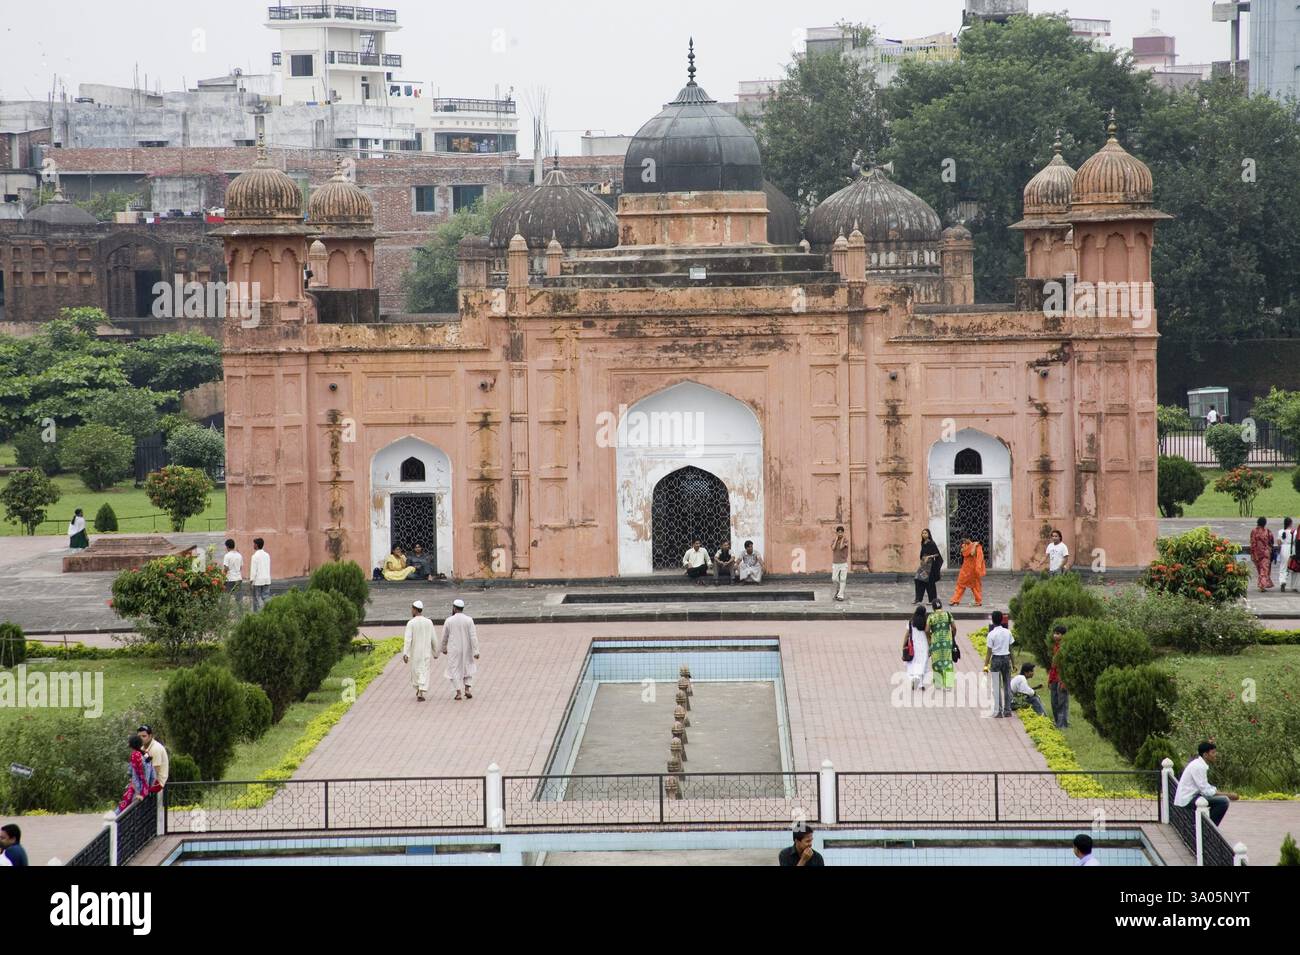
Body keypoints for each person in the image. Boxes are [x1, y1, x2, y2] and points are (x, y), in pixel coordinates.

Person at [1174, 741, 1239, 826]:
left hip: (1192, 797)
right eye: (1213, 753)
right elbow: (1206, 791)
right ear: (1205, 755)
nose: (1215, 755)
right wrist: (1228, 795)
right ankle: (1207, 828)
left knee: (1221, 799)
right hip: (1187, 800)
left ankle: (1204, 827)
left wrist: (1221, 793)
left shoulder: (1199, 764)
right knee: (1223, 801)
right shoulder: (1199, 767)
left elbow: (1205, 787)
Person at [440, 598, 480, 701]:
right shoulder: (469, 620)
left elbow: (444, 636)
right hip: (467, 649)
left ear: (454, 608)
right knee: (468, 667)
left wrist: (443, 648)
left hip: (454, 650)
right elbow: (473, 636)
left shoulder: (449, 620)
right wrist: (476, 651)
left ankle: (458, 692)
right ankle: (467, 689)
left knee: (454, 669)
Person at [402, 600, 437, 702]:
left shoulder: (411, 623)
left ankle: (420, 690)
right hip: (425, 652)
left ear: (415, 609)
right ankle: (420, 690)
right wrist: (435, 652)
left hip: (415, 653)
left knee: (416, 671)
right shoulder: (429, 622)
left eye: (412, 609)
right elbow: (433, 638)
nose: (411, 611)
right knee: (424, 671)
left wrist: (406, 654)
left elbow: (408, 639)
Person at [117, 734, 158, 815]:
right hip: (145, 791)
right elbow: (153, 776)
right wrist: (148, 789)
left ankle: (109, 825)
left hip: (137, 791)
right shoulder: (146, 755)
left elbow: (137, 775)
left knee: (122, 811)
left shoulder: (135, 756)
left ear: (131, 745)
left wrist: (140, 793)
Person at [984, 610, 1014, 718]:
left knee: (996, 686)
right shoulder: (1008, 632)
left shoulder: (991, 634)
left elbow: (989, 652)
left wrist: (985, 665)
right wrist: (1013, 663)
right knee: (1007, 685)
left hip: (996, 660)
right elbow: (1011, 649)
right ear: (1002, 619)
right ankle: (1008, 710)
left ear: (992, 620)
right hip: (1006, 659)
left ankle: (998, 711)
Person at [926, 599, 958, 692]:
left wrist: (930, 637)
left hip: (936, 642)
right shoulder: (948, 614)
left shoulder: (931, 617)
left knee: (936, 662)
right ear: (941, 606)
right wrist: (952, 636)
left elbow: (927, 630)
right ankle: (948, 685)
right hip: (947, 642)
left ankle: (938, 684)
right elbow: (954, 627)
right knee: (948, 662)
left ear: (933, 607)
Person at [950, 536, 986, 607]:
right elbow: (968, 553)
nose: (962, 547)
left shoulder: (972, 546)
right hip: (970, 569)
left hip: (968, 570)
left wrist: (974, 545)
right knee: (974, 586)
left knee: (962, 585)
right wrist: (974, 545)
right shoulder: (972, 546)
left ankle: (955, 600)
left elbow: (971, 553)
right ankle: (978, 601)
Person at [1048, 624, 1070, 729]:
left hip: (1061, 679)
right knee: (1054, 702)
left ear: (1063, 635)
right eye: (1054, 633)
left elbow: (1065, 666)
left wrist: (1064, 681)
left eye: (1058, 634)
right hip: (1054, 678)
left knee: (1062, 703)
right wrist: (1050, 679)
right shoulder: (1055, 647)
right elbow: (1053, 665)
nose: (1055, 635)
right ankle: (1057, 722)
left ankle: (1063, 725)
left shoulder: (1065, 648)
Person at [905, 604, 930, 692]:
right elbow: (928, 635)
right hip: (924, 646)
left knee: (915, 664)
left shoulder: (911, 622)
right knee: (923, 664)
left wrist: (904, 645)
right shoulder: (926, 622)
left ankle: (915, 679)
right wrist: (930, 646)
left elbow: (907, 635)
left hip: (914, 646)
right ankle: (921, 684)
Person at [137, 724, 169, 790]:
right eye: (139, 736)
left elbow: (155, 772)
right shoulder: (142, 747)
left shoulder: (155, 748)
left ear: (150, 736)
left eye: (144, 736)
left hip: (158, 783)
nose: (141, 738)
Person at [914, 530, 942, 604]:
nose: (924, 534)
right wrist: (922, 559)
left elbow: (937, 554)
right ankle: (918, 599)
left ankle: (932, 600)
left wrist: (928, 557)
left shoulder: (932, 543)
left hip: (930, 566)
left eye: (925, 533)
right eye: (922, 533)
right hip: (924, 565)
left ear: (929, 534)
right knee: (918, 580)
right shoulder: (923, 543)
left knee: (930, 583)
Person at [1249, 517, 1274, 592]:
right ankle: (1262, 585)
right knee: (1264, 570)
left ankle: (1262, 584)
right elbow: (1271, 541)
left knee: (1260, 570)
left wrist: (1253, 553)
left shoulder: (1253, 531)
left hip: (1256, 553)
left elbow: (1252, 543)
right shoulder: (1267, 531)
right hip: (1265, 554)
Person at [249, 538, 271, 611]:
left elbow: (253, 570)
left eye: (254, 544)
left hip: (258, 580)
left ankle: (258, 613)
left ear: (256, 545)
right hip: (267, 579)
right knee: (266, 597)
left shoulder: (255, 556)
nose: (253, 545)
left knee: (257, 598)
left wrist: (251, 581)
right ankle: (269, 610)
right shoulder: (267, 555)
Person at [222, 538, 244, 606]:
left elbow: (226, 568)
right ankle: (240, 614)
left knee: (226, 598)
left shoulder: (227, 556)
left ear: (227, 546)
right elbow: (240, 567)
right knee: (239, 599)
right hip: (238, 578)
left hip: (229, 579)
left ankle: (225, 614)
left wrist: (222, 577)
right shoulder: (239, 555)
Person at [831, 526, 850, 601]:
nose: (840, 533)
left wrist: (841, 538)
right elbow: (833, 548)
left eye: (841, 532)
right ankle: (838, 589)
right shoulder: (834, 540)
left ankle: (840, 595)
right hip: (835, 562)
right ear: (836, 533)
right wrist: (836, 539)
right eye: (838, 532)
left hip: (843, 563)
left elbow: (841, 547)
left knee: (843, 579)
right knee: (834, 578)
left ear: (843, 532)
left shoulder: (845, 540)